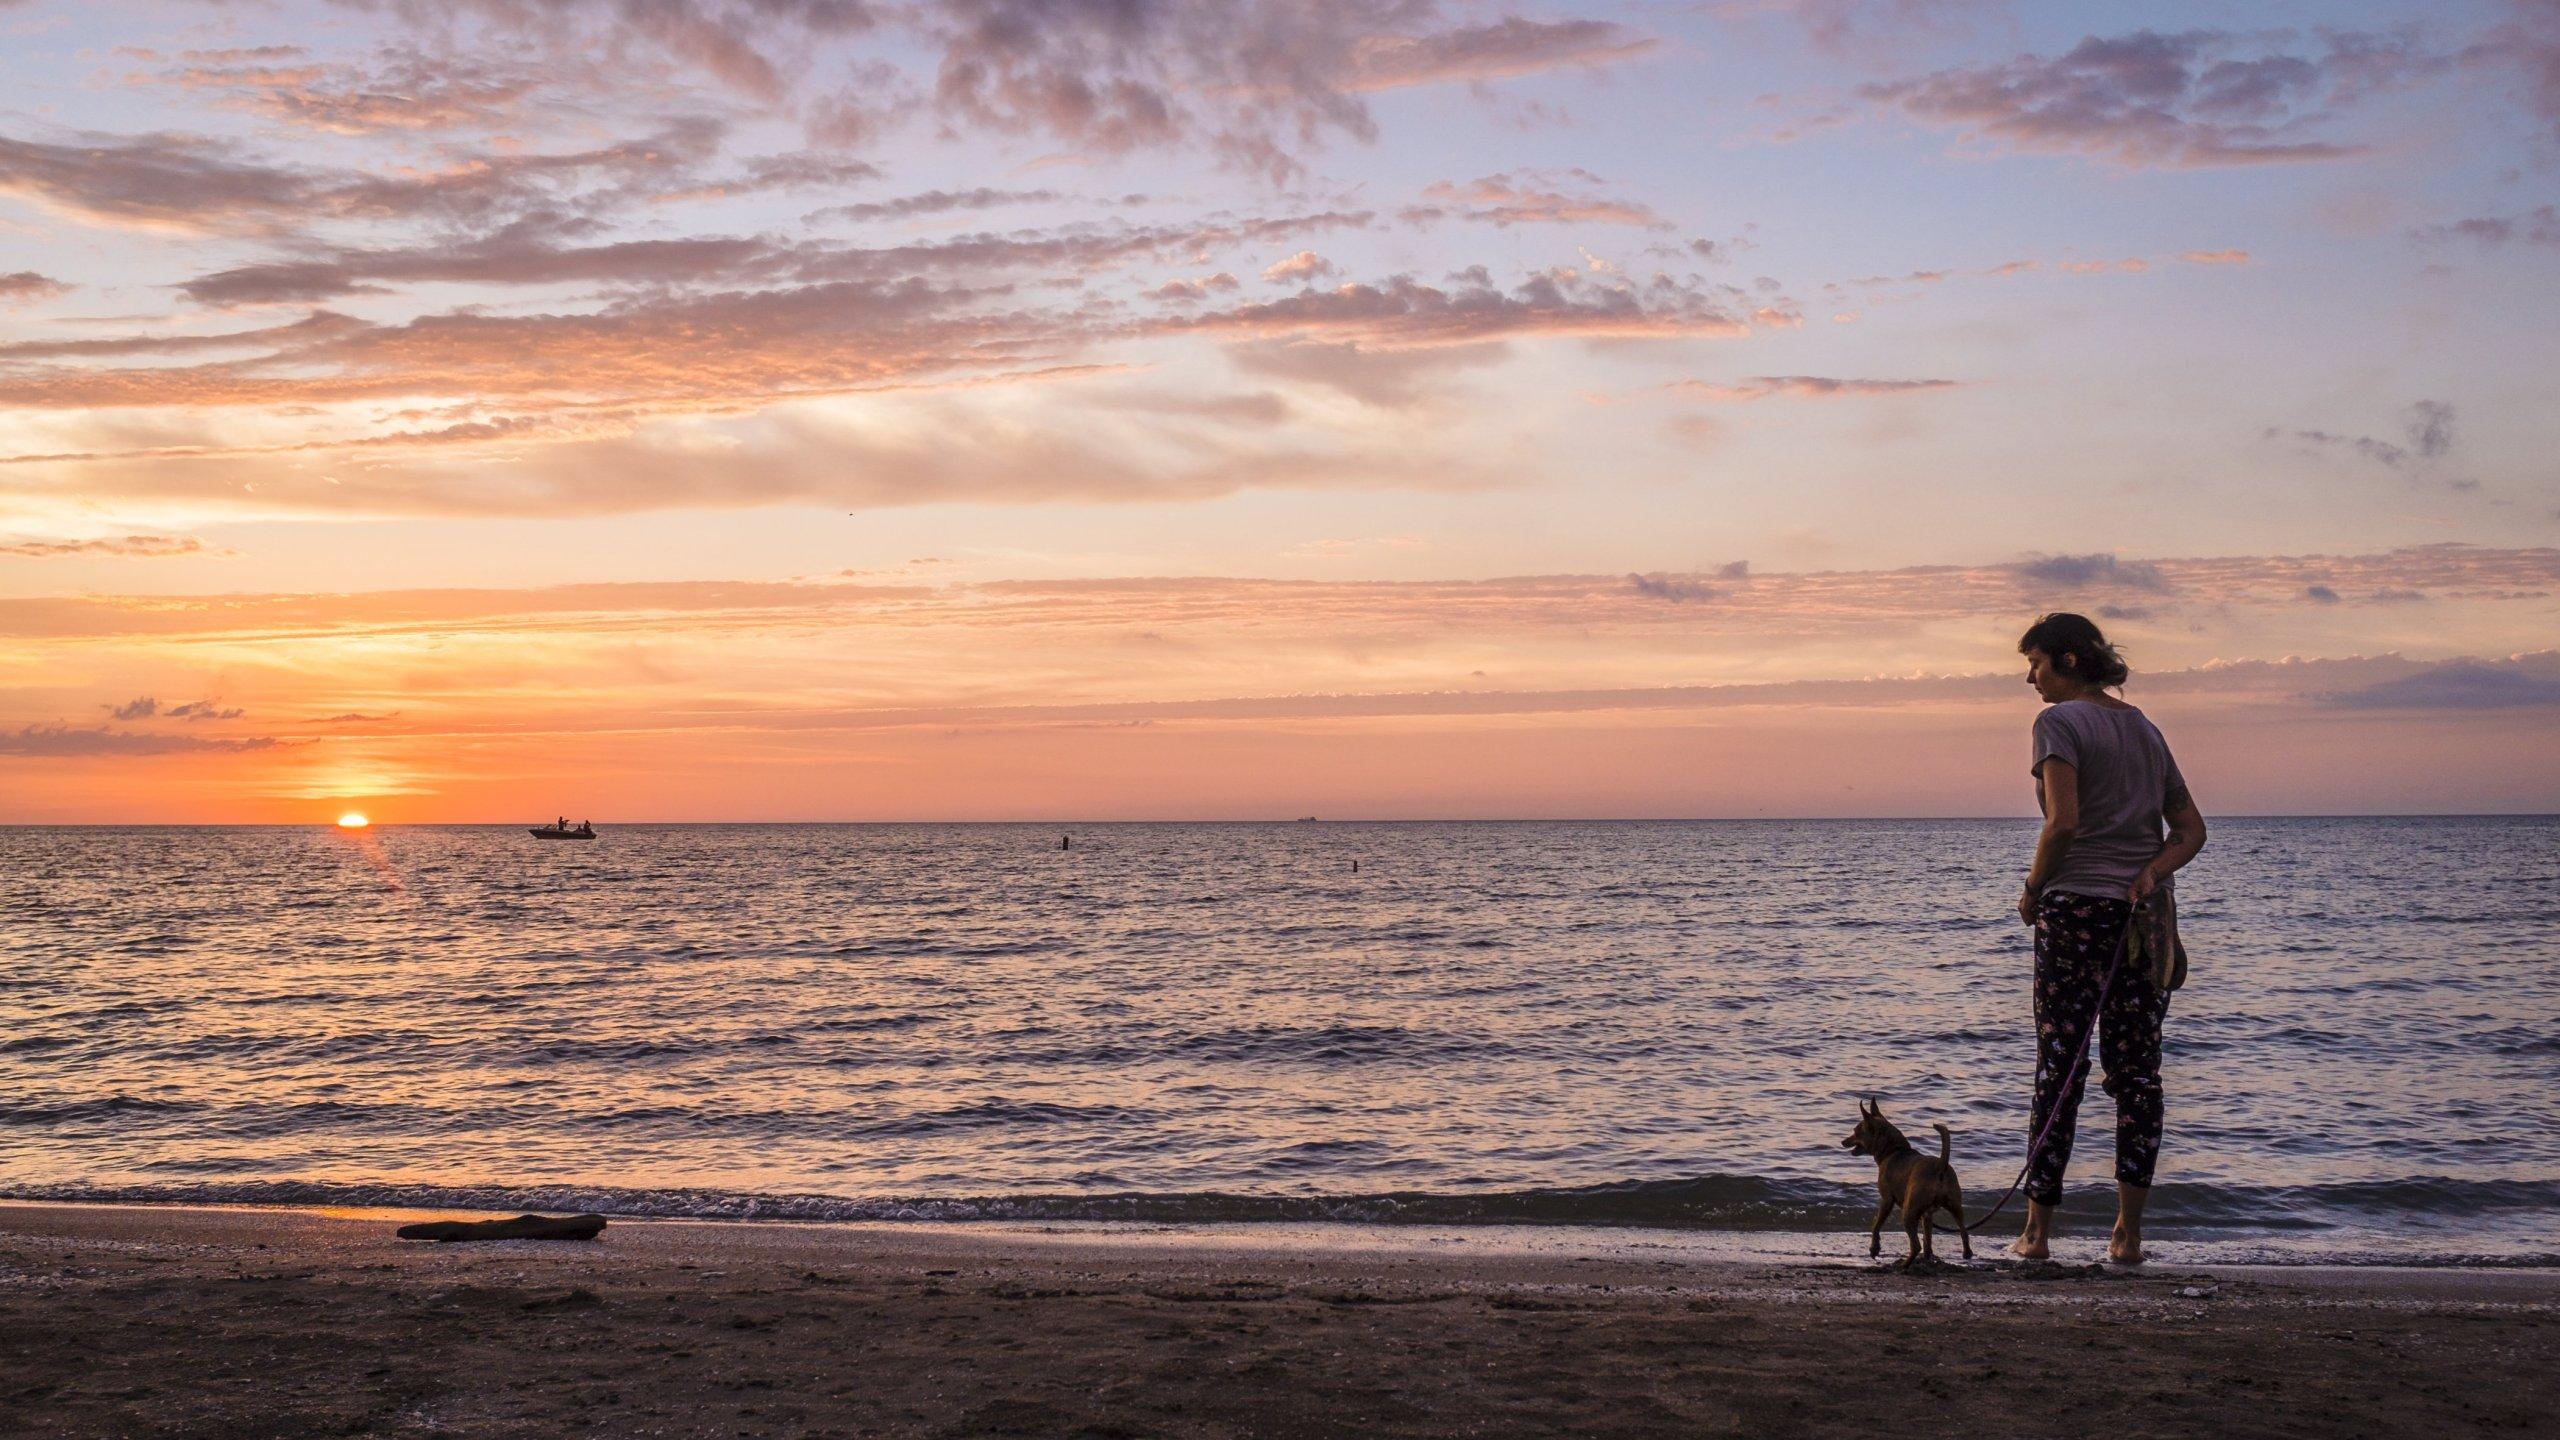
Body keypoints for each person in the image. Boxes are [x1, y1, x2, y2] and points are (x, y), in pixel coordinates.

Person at [2013, 612, 2207, 1264]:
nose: (2029, 678)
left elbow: (2062, 822)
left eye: (2035, 664)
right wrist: (2149, 871)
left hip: (2076, 915)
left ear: (2067, 660)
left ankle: (2037, 1234)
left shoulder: (2058, 724)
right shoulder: (2145, 729)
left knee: (2060, 1068)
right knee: (2138, 1076)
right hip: (2143, 921)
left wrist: (2035, 889)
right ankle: (2128, 1234)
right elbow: (2189, 830)